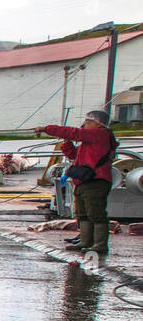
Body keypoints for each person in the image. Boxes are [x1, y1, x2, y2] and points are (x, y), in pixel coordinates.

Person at [39, 110, 118, 257]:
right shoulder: (91, 140)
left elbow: (74, 133)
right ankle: (86, 242)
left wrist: (47, 129)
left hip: (96, 180)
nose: (84, 124)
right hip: (84, 180)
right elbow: (75, 155)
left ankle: (100, 245)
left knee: (96, 213)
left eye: (88, 121)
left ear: (97, 123)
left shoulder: (100, 133)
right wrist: (67, 145)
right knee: (82, 213)